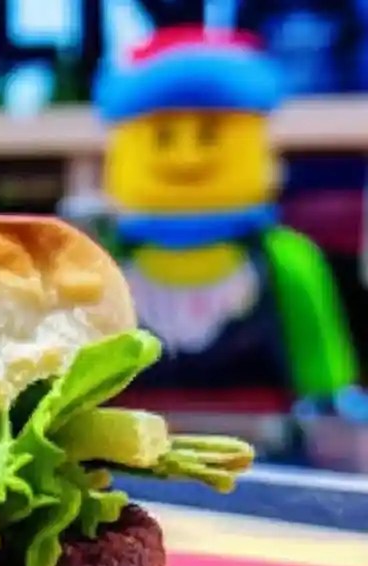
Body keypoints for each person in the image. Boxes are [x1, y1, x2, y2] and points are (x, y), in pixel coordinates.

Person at [95, 26, 368, 422]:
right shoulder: (102, 264)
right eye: (164, 137)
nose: (186, 158)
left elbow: (324, 379)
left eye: (209, 135)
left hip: (268, 458)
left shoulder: (287, 260)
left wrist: (332, 410)